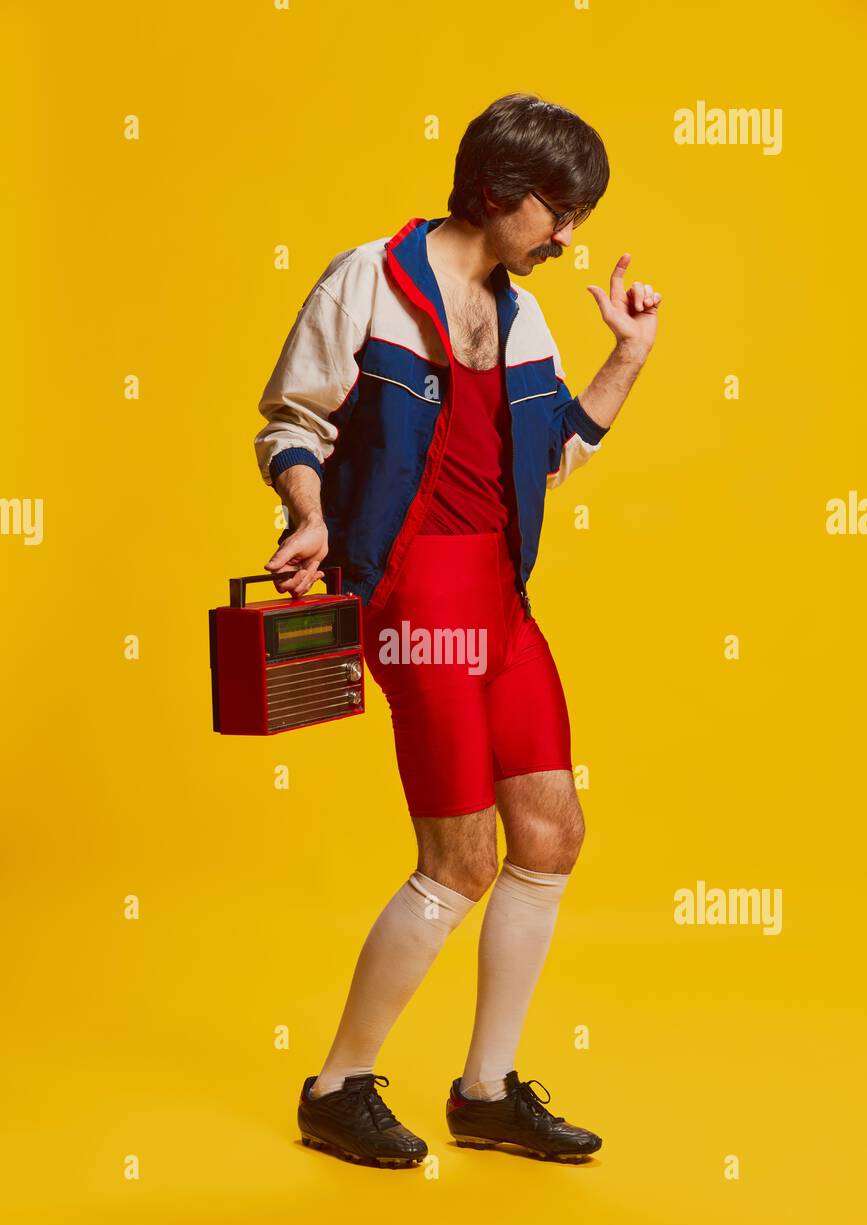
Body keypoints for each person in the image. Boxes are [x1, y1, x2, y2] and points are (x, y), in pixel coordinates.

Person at [253, 92, 661, 1168]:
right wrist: (305, 513)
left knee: (553, 835)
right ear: (497, 191)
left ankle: (483, 1091)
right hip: (412, 596)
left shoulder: (521, 314)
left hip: (500, 596)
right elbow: (292, 421)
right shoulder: (369, 281)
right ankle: (336, 1087)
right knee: (463, 855)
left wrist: (626, 356)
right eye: (558, 209)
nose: (568, 233)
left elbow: (555, 448)